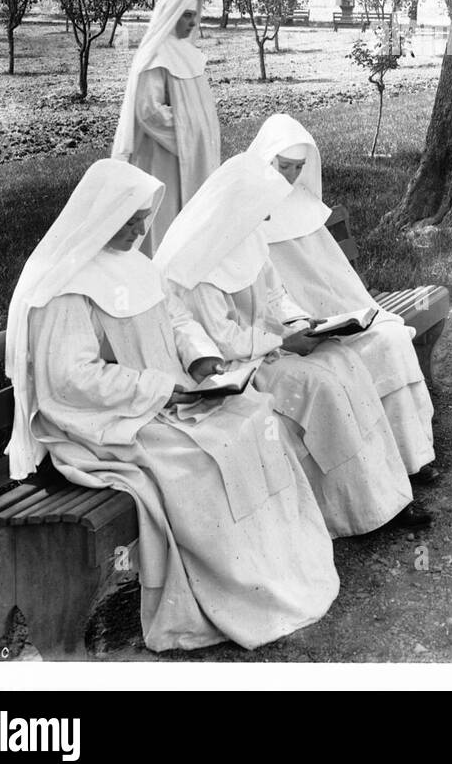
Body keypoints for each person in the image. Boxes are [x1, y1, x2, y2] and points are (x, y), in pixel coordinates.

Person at [4, 159, 338, 654]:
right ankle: (229, 591)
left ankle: (271, 568)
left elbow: (176, 319)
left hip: (165, 399)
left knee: (253, 421)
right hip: (102, 424)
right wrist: (161, 387)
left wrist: (200, 360)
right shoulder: (66, 289)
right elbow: (73, 380)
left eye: (144, 218)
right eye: (128, 220)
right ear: (101, 217)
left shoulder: (137, 266)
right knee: (200, 464)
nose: (140, 230)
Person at [155, 155, 430, 536]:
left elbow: (275, 298)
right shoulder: (196, 264)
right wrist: (283, 340)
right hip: (240, 366)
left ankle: (386, 490)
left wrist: (304, 324)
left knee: (345, 363)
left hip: (272, 347)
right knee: (324, 387)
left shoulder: (248, 239)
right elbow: (223, 338)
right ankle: (360, 508)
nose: (267, 220)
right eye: (262, 211)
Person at [248, 114, 437, 484]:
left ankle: (413, 457)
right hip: (292, 331)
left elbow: (335, 279)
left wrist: (352, 315)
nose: (289, 176)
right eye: (282, 166)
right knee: (345, 365)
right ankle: (378, 478)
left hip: (336, 315)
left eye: (298, 168)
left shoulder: (303, 204)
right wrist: (301, 325)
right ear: (264, 160)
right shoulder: (252, 214)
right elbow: (268, 294)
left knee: (392, 340)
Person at [111, 0, 220, 255]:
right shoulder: (157, 55)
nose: (193, 23)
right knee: (165, 218)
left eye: (195, 16)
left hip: (190, 152)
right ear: (170, 17)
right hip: (162, 156)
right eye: (187, 15)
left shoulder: (188, 53)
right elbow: (149, 111)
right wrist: (190, 133)